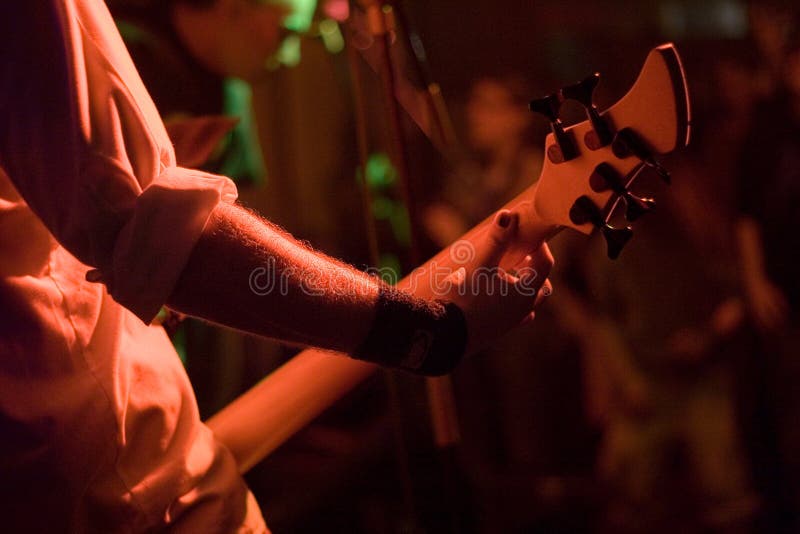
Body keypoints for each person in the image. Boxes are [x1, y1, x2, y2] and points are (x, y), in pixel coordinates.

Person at [0, 1, 553, 531]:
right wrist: (431, 334)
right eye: (286, 31)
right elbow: (160, 233)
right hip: (113, 478)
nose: (290, 56)